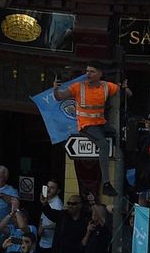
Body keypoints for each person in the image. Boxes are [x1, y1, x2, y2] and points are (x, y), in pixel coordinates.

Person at [53, 64, 125, 196]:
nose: (88, 74)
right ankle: (107, 184)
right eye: (87, 71)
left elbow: (124, 93)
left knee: (119, 134)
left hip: (100, 123)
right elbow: (59, 97)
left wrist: (125, 88)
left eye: (92, 71)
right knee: (103, 145)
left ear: (100, 73)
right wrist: (55, 90)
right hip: (86, 125)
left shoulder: (106, 86)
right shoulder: (78, 87)